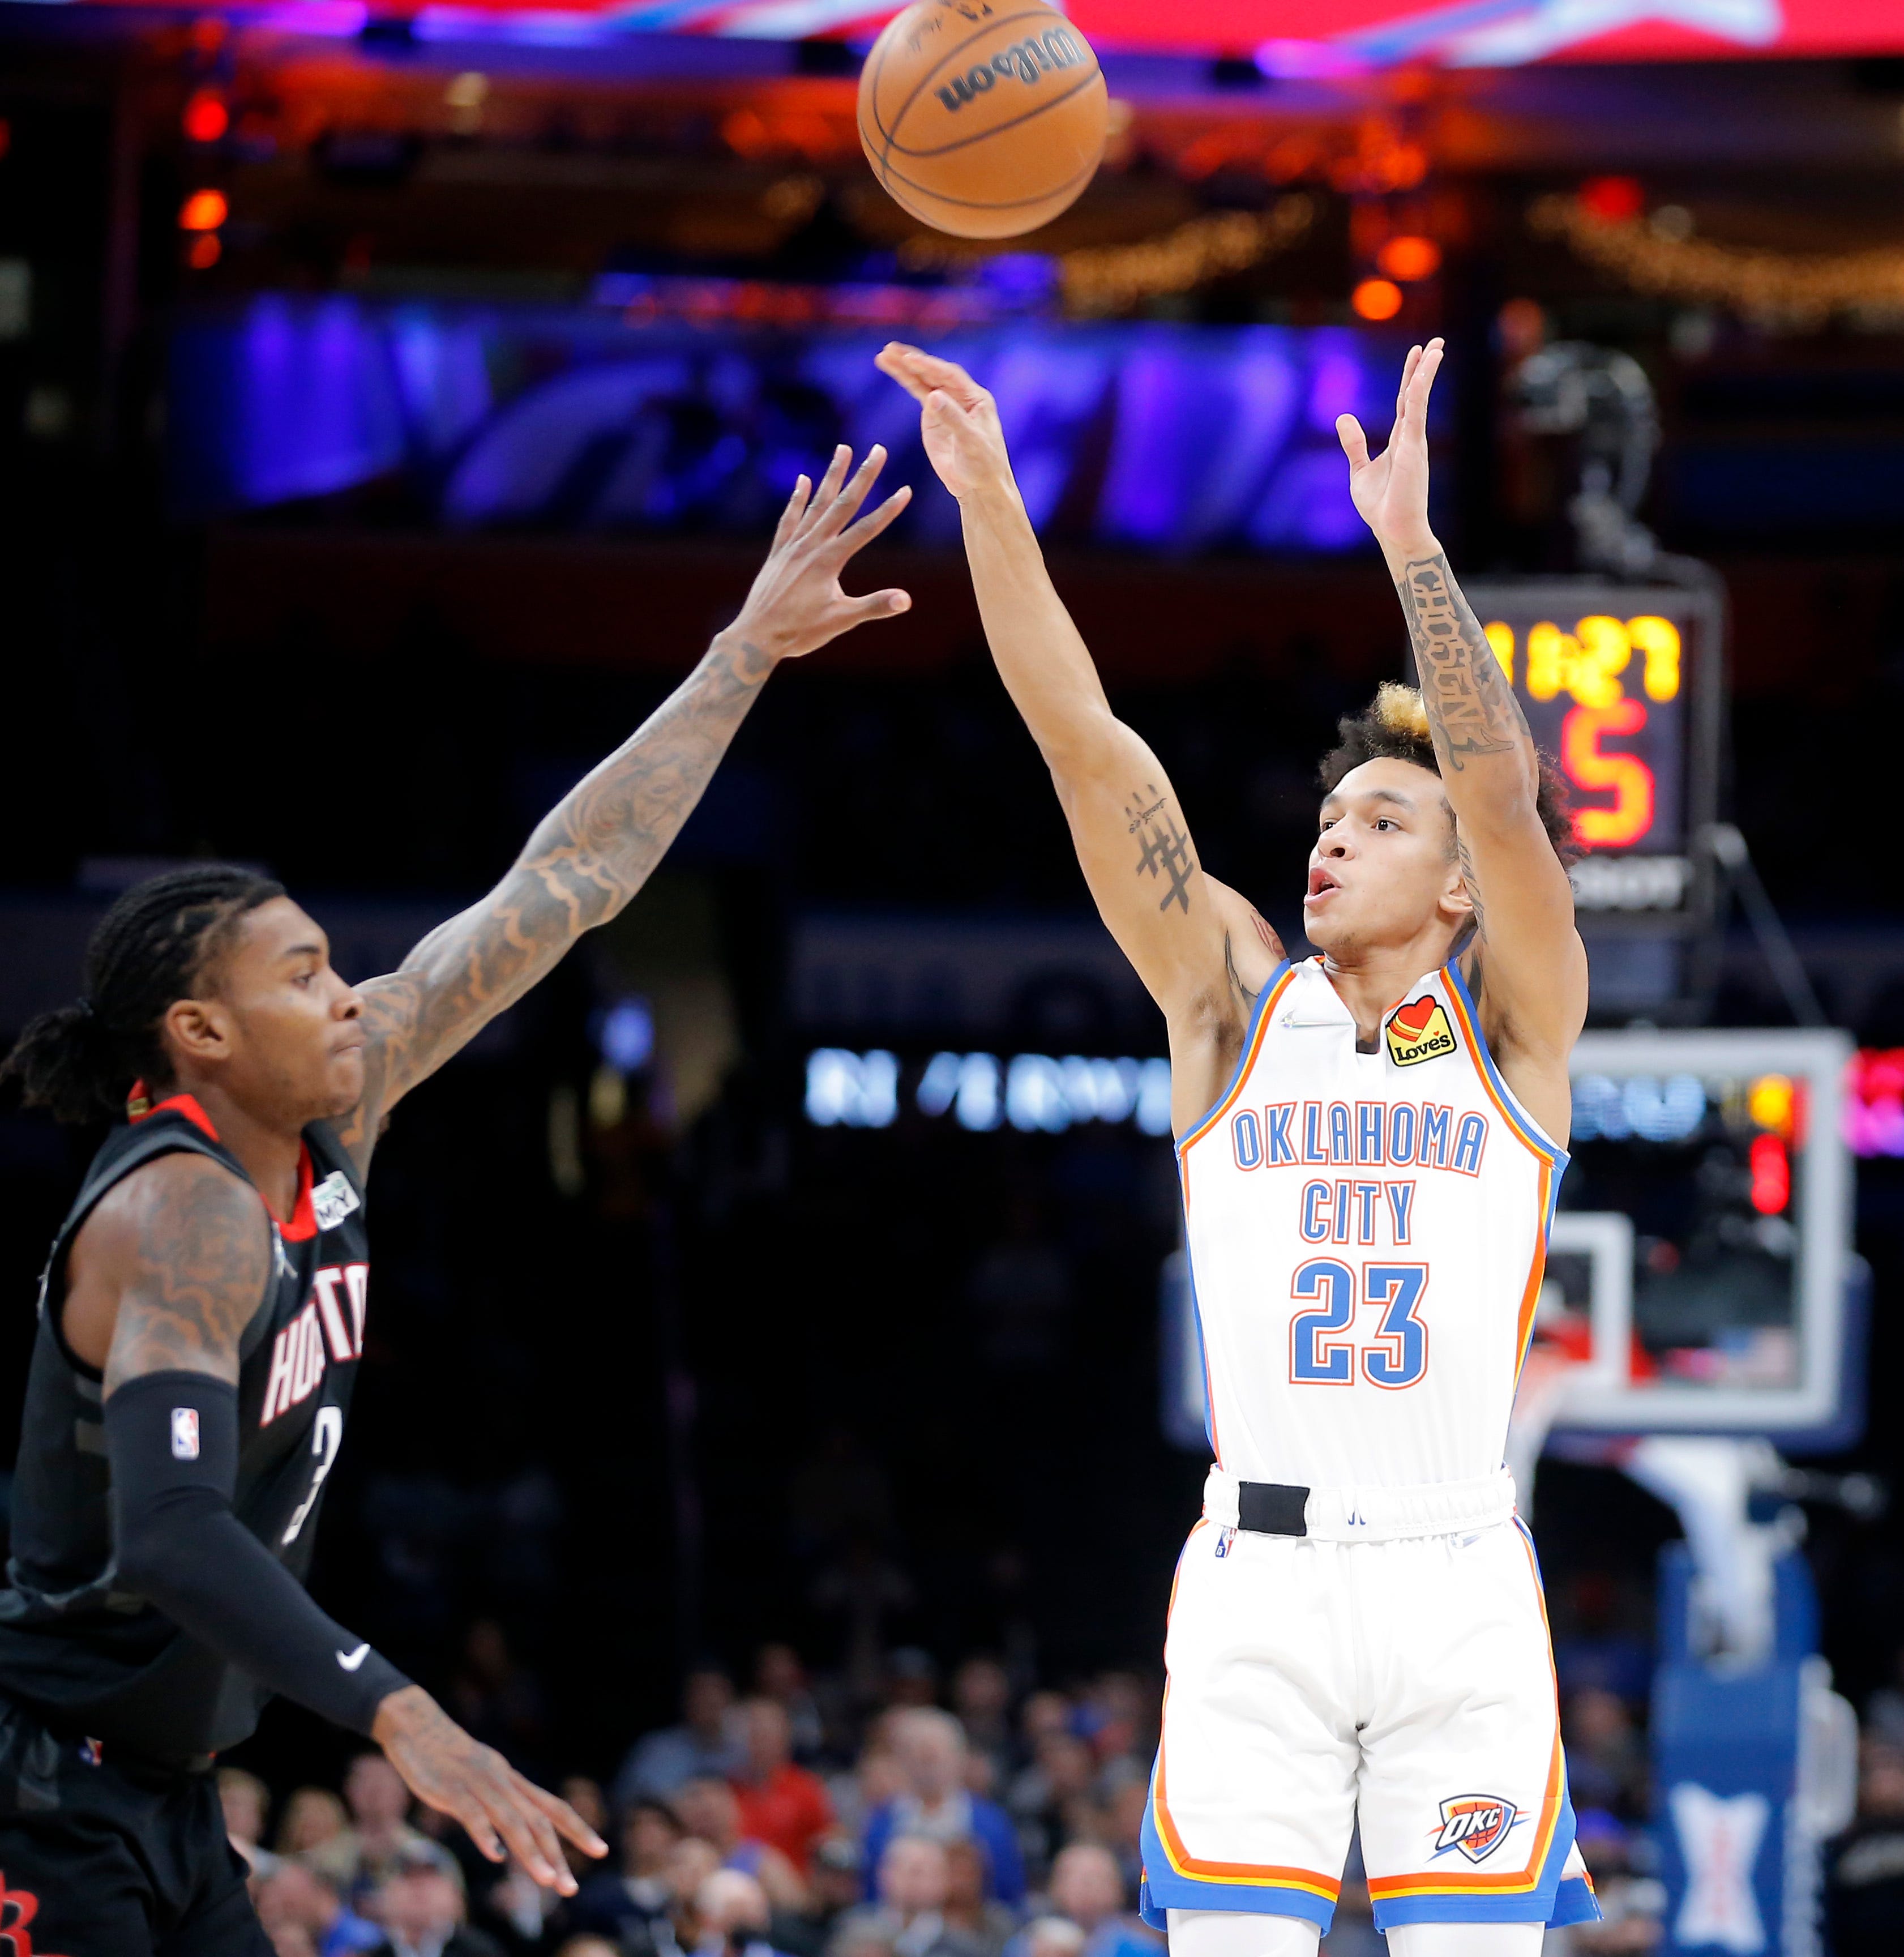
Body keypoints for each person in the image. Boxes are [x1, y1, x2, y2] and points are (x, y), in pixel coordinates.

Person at [0, 443, 913, 1956]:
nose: (347, 995)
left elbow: (569, 879)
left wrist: (739, 652)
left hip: (168, 1792)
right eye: (300, 977)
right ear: (200, 1037)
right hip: (42, 1796)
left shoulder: (342, 1099)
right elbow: (166, 1532)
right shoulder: (183, 1216)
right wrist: (403, 1713)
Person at [878, 338, 1598, 1955]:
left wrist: (1410, 548)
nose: (1333, 839)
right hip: (1259, 1579)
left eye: (1381, 823)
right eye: (1331, 820)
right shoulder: (1228, 1005)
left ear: (1459, 884)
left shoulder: (1517, 1036)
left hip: (1456, 1579)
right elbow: (1088, 745)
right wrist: (994, 503)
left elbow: (1500, 794)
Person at [863, 1711, 1025, 1908]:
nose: (928, 1768)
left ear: (960, 1759)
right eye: (920, 1757)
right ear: (903, 1761)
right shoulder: (881, 1823)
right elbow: (870, 1893)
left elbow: (1008, 1894)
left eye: (935, 1757)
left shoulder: (991, 1824)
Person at [615, 1667, 748, 1808]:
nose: (707, 1700)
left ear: (731, 1700)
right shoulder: (656, 1750)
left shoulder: (746, 1750)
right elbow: (624, 1802)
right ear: (686, 1700)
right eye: (699, 1694)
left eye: (715, 1694)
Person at [733, 1697, 836, 1874]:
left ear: (785, 1736)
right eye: (754, 1733)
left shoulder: (806, 1788)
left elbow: (827, 1841)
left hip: (793, 1892)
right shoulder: (729, 1789)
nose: (760, 1742)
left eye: (767, 1733)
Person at [569, 1796, 683, 1947]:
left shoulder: (689, 1893)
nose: (647, 1833)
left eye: (657, 1825)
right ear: (624, 1837)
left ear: (675, 1835)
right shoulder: (598, 1895)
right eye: (636, 1825)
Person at [367, 1848, 503, 1957]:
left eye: (430, 1876)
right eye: (407, 1877)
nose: (419, 1885)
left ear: (456, 1896)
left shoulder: (479, 1951)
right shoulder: (368, 1951)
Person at [1042, 1845, 1157, 1957]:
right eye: (1076, 1880)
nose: (1085, 1889)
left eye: (1095, 1880)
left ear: (1118, 1888)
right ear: (1054, 1886)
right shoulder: (1036, 1944)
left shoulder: (1141, 1948)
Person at [253, 1862, 383, 1957]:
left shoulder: (362, 1939)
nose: (288, 1915)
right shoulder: (314, 1938)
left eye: (291, 1904)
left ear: (316, 1892)